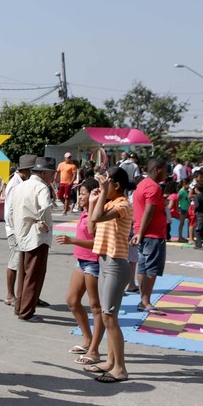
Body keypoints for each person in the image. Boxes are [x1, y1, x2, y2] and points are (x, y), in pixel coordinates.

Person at [84, 168, 133, 383]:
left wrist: (101, 195)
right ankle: (110, 362)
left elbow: (100, 218)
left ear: (117, 186)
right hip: (104, 261)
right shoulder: (109, 203)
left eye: (107, 183)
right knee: (106, 315)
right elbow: (91, 225)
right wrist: (95, 199)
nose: (103, 187)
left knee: (109, 316)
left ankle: (120, 368)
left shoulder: (123, 205)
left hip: (115, 263)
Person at [56, 178, 104, 365]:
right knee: (72, 300)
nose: (80, 196)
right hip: (81, 261)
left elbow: (98, 242)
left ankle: (94, 351)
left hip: (93, 262)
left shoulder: (97, 214)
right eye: (80, 193)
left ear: (93, 194)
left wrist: (72, 241)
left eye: (83, 193)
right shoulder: (85, 213)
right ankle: (87, 339)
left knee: (96, 307)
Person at [7, 156, 56, 322]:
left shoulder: (21, 186)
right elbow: (46, 208)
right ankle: (26, 312)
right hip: (37, 236)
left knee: (24, 274)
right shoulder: (41, 188)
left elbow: (11, 212)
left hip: (22, 234)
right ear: (43, 172)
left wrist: (17, 228)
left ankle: (20, 307)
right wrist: (45, 224)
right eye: (52, 173)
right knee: (34, 275)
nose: (53, 177)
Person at [133, 158, 168, 315]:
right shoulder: (153, 188)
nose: (167, 173)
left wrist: (138, 232)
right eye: (165, 170)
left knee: (143, 266)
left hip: (143, 232)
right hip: (152, 234)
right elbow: (149, 211)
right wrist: (141, 232)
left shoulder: (142, 184)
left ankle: (143, 300)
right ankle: (145, 301)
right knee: (151, 268)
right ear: (157, 170)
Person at [2, 155, 35, 305]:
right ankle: (10, 294)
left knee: (22, 262)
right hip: (15, 229)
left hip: (22, 228)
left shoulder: (22, 181)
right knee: (14, 262)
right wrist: (15, 230)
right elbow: (10, 210)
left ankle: (23, 294)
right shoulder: (14, 184)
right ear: (27, 169)